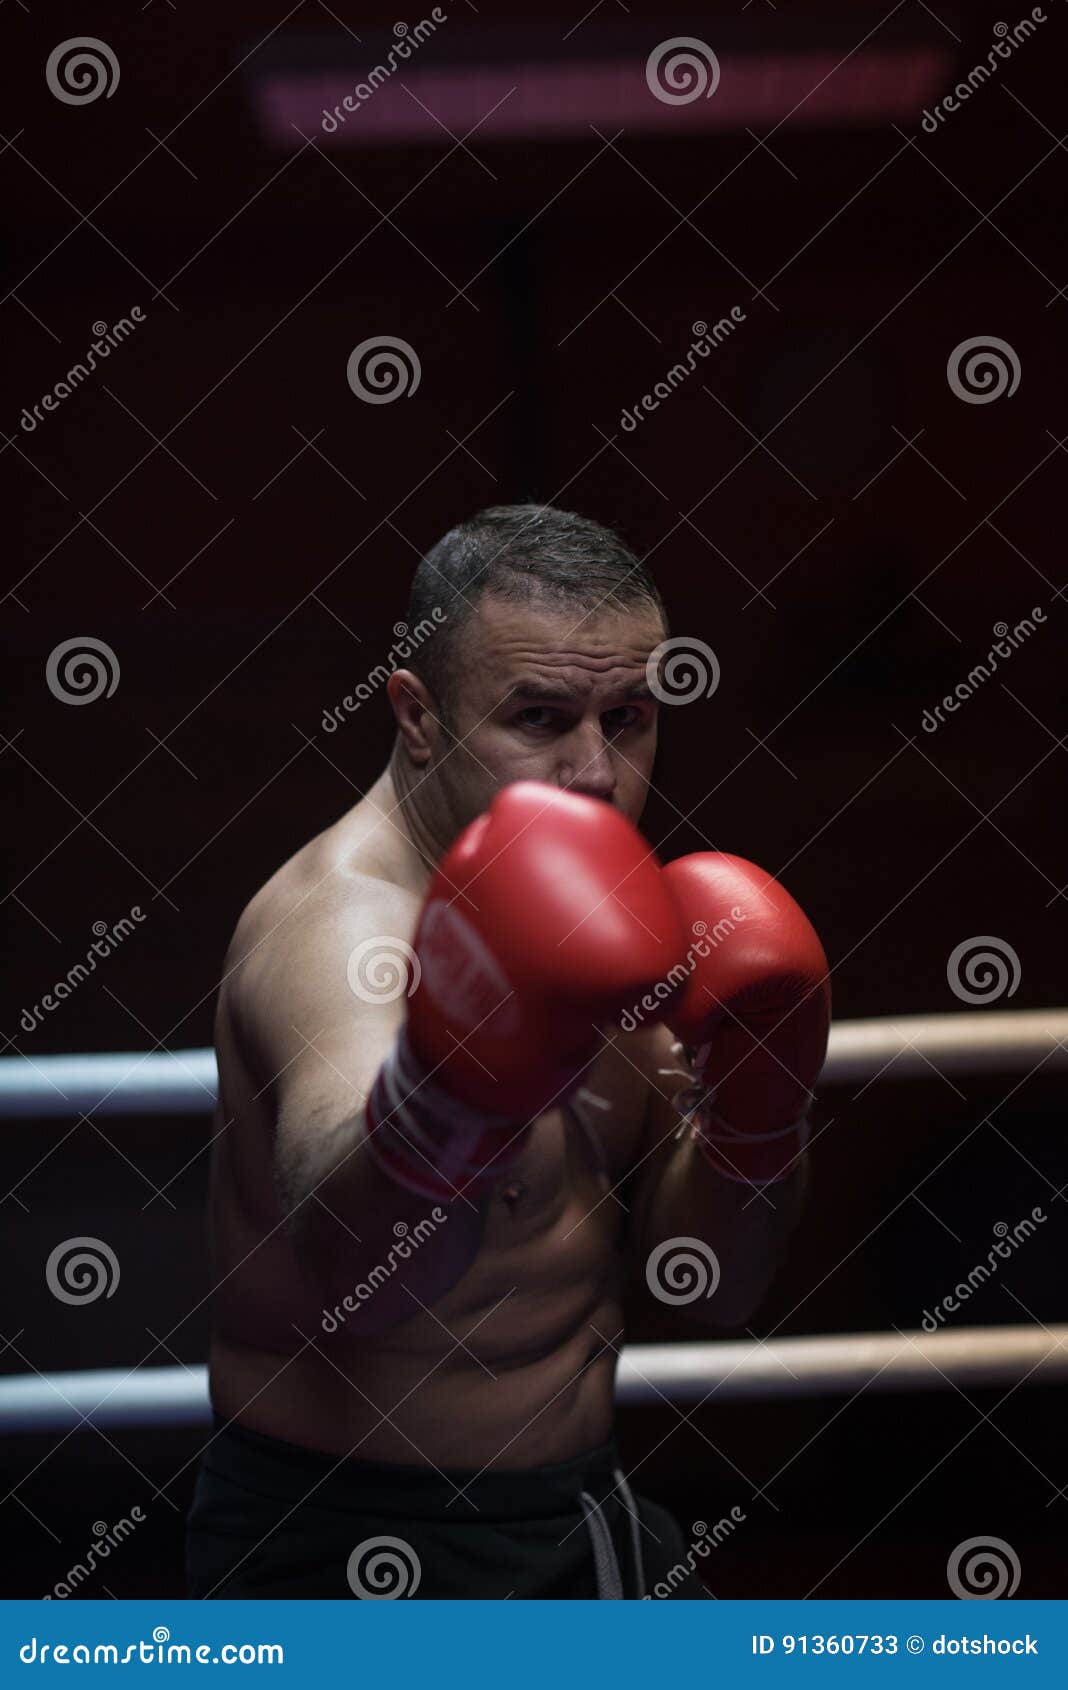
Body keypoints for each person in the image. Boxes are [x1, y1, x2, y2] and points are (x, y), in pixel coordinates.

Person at [186, 503, 830, 1599]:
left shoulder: (625, 921)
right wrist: (450, 1087)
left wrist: (761, 1108)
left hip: (580, 1519)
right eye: (540, 716)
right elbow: (356, 1270)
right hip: (348, 1548)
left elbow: (719, 1285)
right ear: (419, 715)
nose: (593, 773)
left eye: (626, 717)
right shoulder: (344, 931)